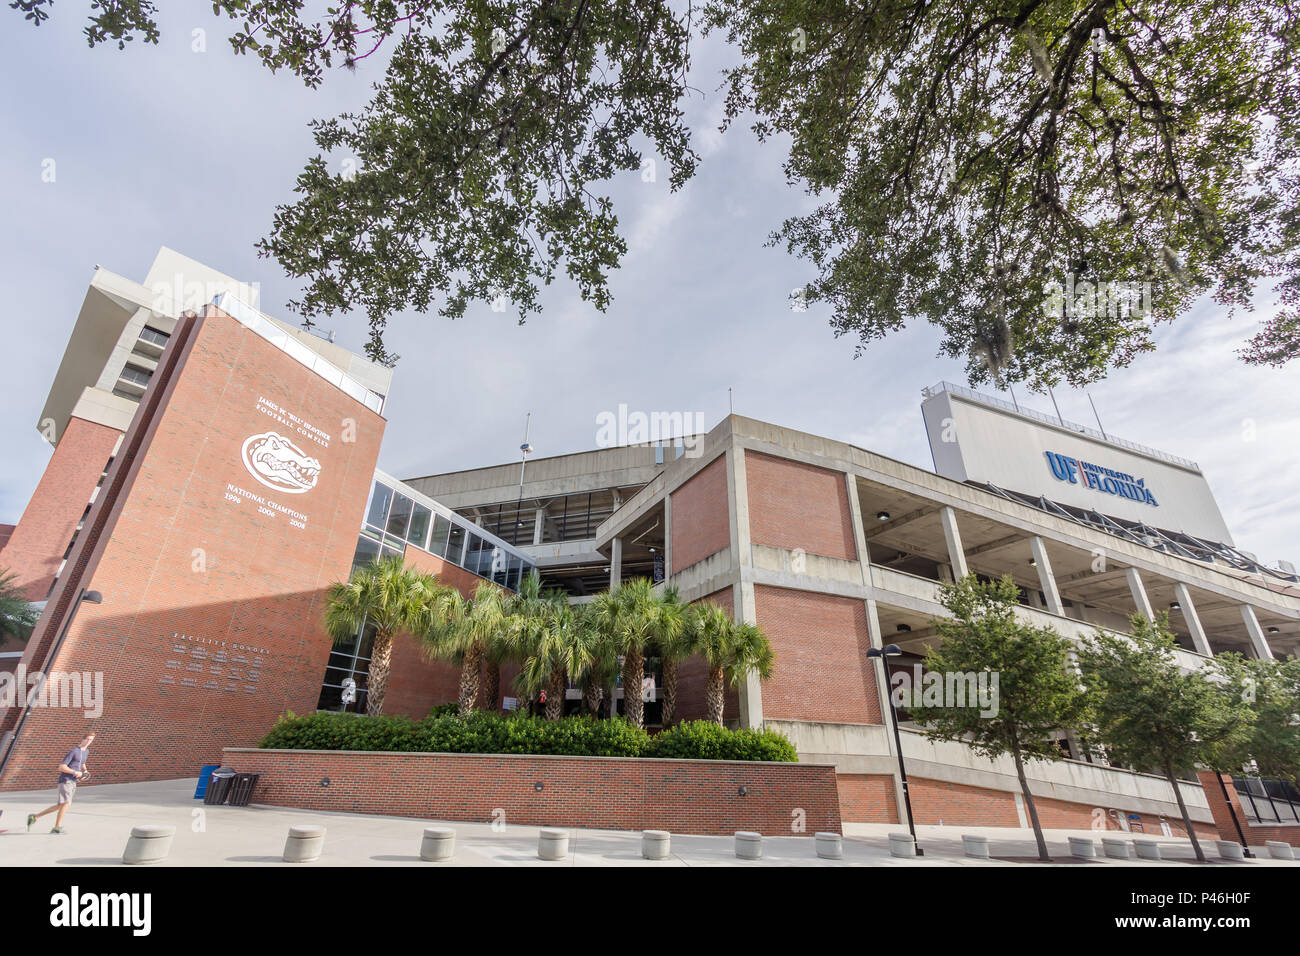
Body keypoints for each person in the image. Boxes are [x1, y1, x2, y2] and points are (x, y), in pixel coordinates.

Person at [27, 733, 95, 834]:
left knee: (61, 805)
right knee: (66, 803)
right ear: (83, 739)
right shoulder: (73, 751)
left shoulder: (86, 752)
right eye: (87, 739)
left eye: (91, 740)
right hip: (66, 780)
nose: (88, 742)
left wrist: (85, 771)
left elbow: (82, 763)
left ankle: (35, 817)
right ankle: (56, 827)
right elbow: (61, 767)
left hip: (73, 781)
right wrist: (74, 772)